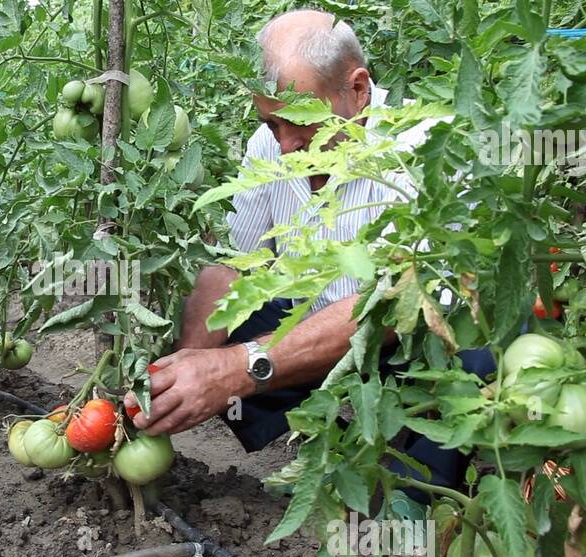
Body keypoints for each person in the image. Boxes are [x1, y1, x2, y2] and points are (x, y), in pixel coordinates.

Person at [122, 8, 494, 496]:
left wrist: (237, 369)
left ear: (358, 89)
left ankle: (417, 487)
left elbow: (394, 301)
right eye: (271, 123)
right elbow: (234, 263)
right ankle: (331, 441)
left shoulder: (432, 148)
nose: (288, 146)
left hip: (412, 338)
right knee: (221, 317)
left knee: (477, 350)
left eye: (299, 122)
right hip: (319, 329)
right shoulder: (271, 144)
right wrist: (190, 364)